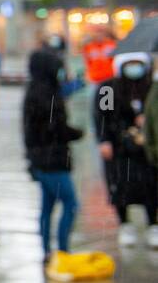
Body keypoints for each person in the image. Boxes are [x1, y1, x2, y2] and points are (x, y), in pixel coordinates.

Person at [23, 48, 83, 268]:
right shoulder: (44, 95)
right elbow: (54, 128)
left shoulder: (38, 91)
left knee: (47, 206)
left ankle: (47, 251)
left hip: (42, 159)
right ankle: (63, 250)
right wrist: (77, 133)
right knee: (70, 203)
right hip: (51, 160)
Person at [94, 52, 158, 248]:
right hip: (119, 147)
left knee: (151, 186)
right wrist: (104, 140)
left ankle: (153, 224)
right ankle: (125, 224)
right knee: (121, 185)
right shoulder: (108, 88)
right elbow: (101, 116)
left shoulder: (151, 88)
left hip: (145, 147)